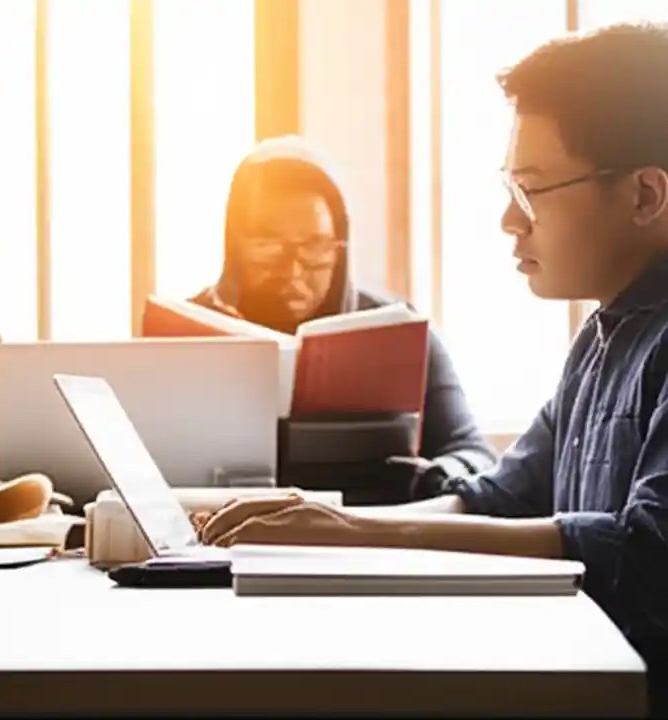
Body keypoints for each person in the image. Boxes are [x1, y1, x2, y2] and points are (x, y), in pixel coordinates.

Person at [199, 22, 668, 711]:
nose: (511, 220)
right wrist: (323, 532)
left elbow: (647, 557)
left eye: (532, 190)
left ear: (645, 197)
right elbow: (498, 496)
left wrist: (363, 532)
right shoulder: (602, 339)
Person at [193, 135, 496, 500]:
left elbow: (474, 453)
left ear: (341, 247)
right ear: (234, 244)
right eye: (267, 245)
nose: (292, 269)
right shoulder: (185, 332)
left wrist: (437, 475)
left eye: (314, 247)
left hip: (367, 541)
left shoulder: (397, 329)